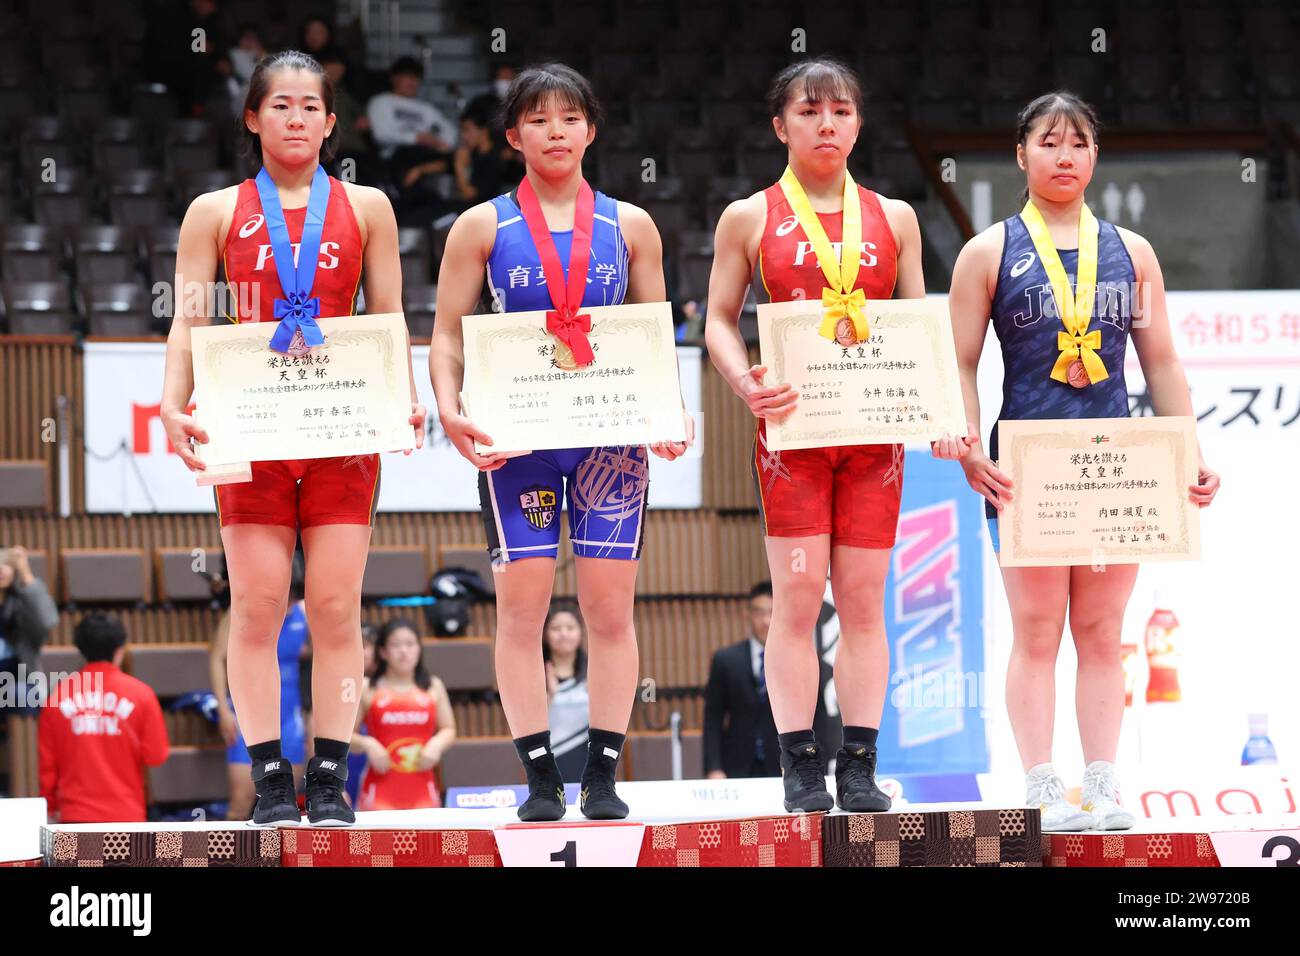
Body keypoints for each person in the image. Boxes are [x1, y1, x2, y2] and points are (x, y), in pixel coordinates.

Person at [160, 49, 426, 827]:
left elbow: (387, 320)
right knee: (259, 604)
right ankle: (273, 776)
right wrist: (174, 404)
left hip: (341, 428)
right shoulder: (213, 210)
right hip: (253, 426)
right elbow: (188, 318)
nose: (297, 117)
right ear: (252, 117)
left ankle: (333, 776)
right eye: (280, 104)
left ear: (332, 122)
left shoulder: (369, 205)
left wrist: (403, 400)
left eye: (311, 106)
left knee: (338, 608)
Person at [947, 91, 1221, 831]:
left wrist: (1187, 450)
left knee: (1104, 632)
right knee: (1036, 630)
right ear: (1021, 154)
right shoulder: (989, 251)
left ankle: (1102, 783)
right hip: (1025, 467)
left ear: (1095, 156)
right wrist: (969, 443)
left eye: (1078, 144)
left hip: (1118, 462)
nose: (1064, 156)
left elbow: (1161, 362)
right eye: (1048, 142)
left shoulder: (1132, 252)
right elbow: (960, 365)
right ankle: (1040, 787)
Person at [430, 62, 692, 821]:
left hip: (610, 443)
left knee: (610, 612)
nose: (555, 132)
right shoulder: (481, 226)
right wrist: (449, 409)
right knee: (521, 613)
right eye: (538, 120)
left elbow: (655, 339)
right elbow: (446, 334)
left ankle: (603, 776)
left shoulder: (629, 225)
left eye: (569, 118)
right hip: (518, 444)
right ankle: (541, 776)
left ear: (591, 130)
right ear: (513, 135)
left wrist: (670, 412)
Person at [704, 57, 962, 814]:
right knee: (794, 598)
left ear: (858, 123)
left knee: (862, 602)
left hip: (873, 441)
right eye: (810, 111)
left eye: (842, 111)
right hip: (792, 436)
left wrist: (943, 417)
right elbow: (718, 317)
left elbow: (919, 331)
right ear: (780, 126)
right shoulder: (748, 216)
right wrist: (742, 377)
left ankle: (857, 761)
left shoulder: (898, 217)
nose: (827, 124)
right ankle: (798, 763)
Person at [38, 613, 169, 823]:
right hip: (126, 819)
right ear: (119, 650)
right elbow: (156, 755)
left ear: (80, 649)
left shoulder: (57, 695)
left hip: (74, 818)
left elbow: (47, 767)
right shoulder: (142, 694)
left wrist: (51, 808)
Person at [211, 552, 310, 820]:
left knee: (286, 801)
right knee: (242, 800)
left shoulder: (304, 615)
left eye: (296, 598)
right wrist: (223, 708)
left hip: (290, 716)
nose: (290, 605)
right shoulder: (242, 610)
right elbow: (219, 658)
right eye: (288, 597)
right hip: (248, 713)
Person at [352, 619, 454, 811]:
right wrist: (368, 744)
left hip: (424, 791)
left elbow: (449, 729)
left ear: (419, 649)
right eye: (396, 644)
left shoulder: (433, 686)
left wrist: (437, 744)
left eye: (410, 644)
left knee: (428, 842)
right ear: (383, 652)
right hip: (379, 793)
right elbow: (346, 737)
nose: (404, 651)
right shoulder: (367, 688)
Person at [0, 546, 59, 707]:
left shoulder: (22, 604)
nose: (1, 569)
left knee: (21, 694)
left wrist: (26, 573)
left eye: (7, 564)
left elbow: (48, 619)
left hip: (19, 682)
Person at [542, 600, 589, 782]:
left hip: (588, 760)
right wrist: (550, 695)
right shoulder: (536, 673)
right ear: (545, 634)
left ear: (580, 633)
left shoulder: (594, 672)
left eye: (570, 628)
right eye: (556, 628)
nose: (563, 634)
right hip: (551, 759)